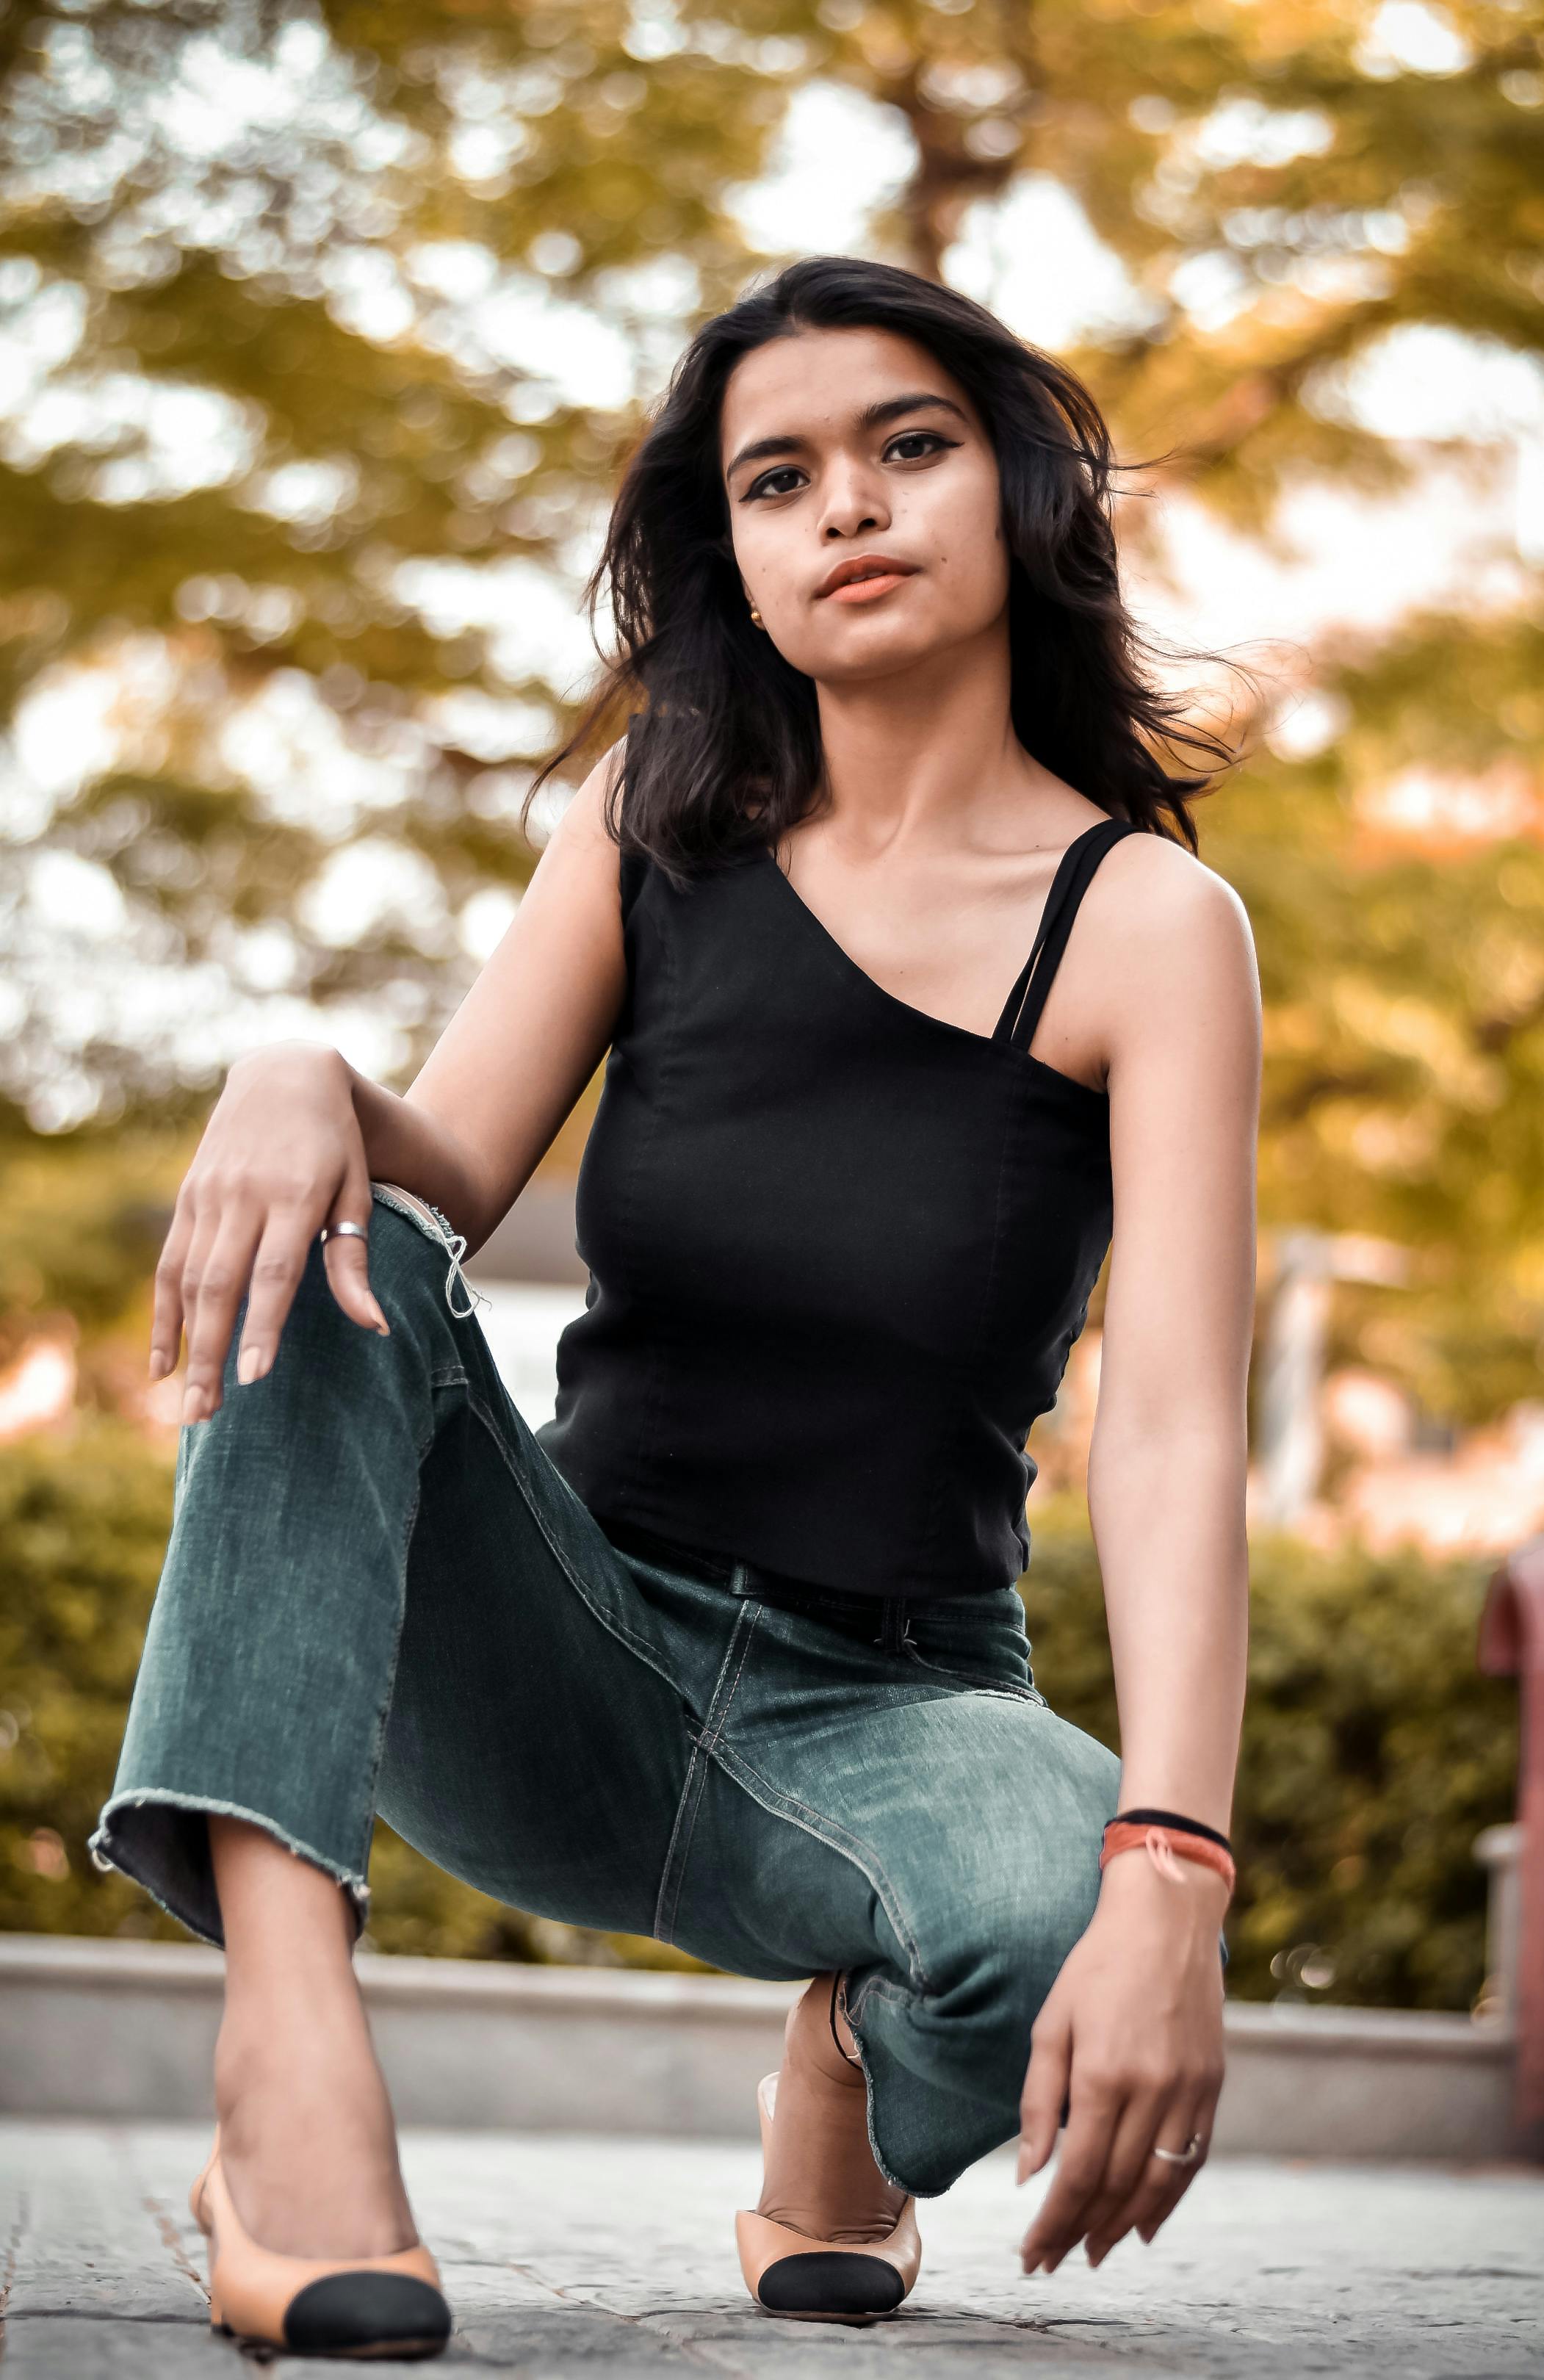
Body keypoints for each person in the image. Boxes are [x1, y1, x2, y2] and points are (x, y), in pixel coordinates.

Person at [90, 256, 1260, 2361]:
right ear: (730, 545)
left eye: (908, 449)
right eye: (778, 475)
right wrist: (291, 1072)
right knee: (334, 1249)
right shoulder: (647, 823)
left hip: (897, 1715)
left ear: (1008, 488)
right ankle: (284, 2074)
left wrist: (1179, 1867)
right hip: (566, 1653)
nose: (850, 508)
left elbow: (1171, 1422)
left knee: (1084, 1908)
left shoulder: (1152, 926)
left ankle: (849, 2065)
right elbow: (434, 1178)